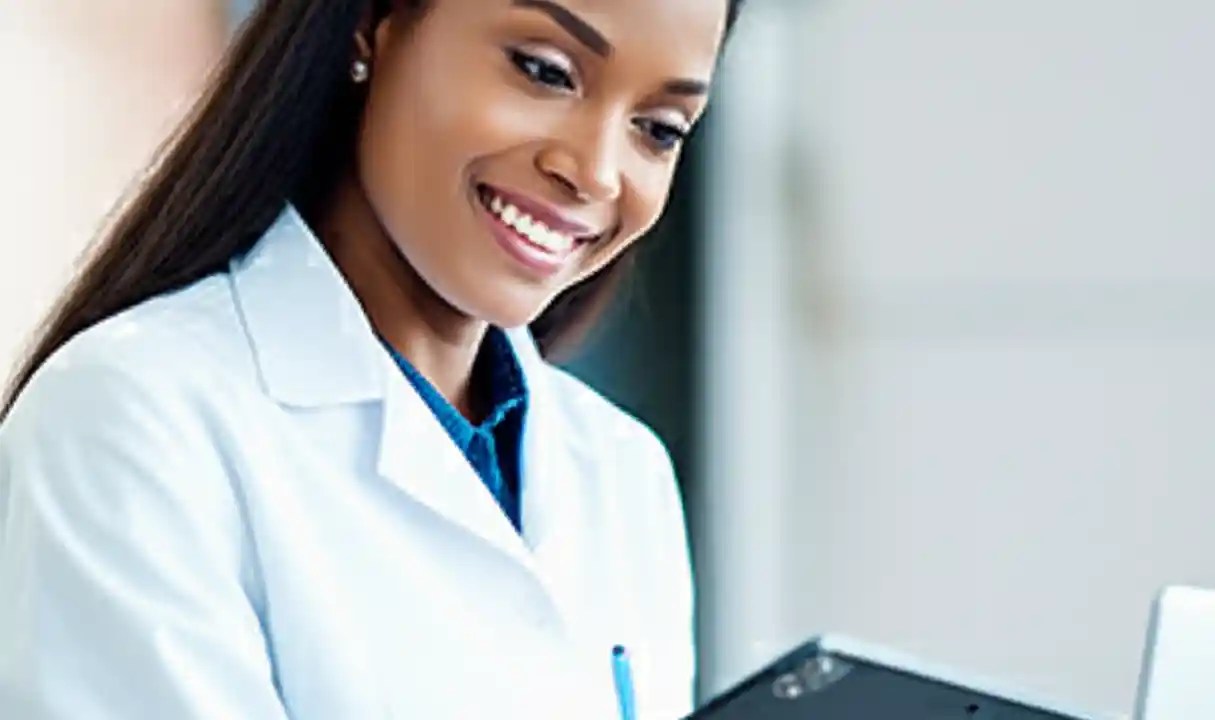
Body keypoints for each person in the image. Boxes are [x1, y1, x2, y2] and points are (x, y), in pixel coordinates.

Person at [0, 0, 744, 717]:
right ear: (372, 25)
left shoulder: (622, 474)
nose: (597, 172)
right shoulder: (128, 422)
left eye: (658, 128)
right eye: (545, 71)